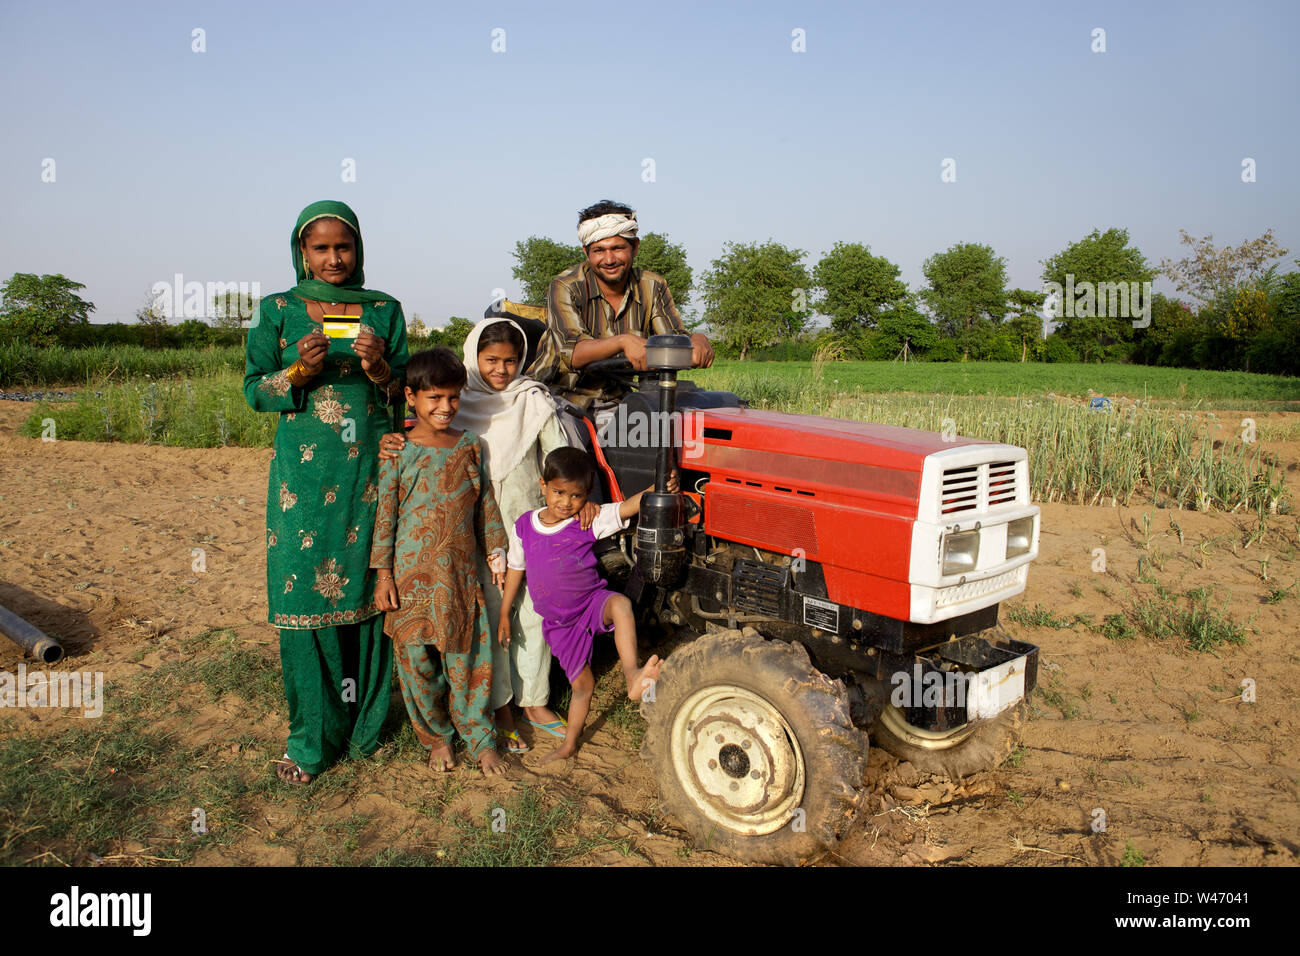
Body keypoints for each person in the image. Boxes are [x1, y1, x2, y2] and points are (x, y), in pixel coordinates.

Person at [244, 200, 408, 786]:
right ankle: (311, 739)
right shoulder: (277, 311)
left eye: (344, 246)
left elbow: (407, 393)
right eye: (322, 248)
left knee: (369, 591)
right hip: (303, 483)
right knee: (301, 595)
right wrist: (297, 375)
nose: (334, 258)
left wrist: (381, 368)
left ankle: (364, 728)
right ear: (302, 252)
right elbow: (254, 391)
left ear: (358, 249)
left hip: (368, 473)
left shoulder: (384, 310)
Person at [379, 318, 596, 752]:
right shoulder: (458, 401)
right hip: (472, 534)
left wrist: (583, 499)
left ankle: (534, 701)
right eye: (490, 359)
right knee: (489, 619)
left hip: (534, 526)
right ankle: (499, 706)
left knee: (533, 613)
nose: (500, 369)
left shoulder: (533, 401)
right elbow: (412, 441)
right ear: (473, 358)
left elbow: (565, 461)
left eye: (511, 360)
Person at [371, 348, 510, 776]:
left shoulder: (469, 445)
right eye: (434, 398)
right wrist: (383, 575)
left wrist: (496, 552)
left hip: (460, 575)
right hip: (410, 582)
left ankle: (480, 738)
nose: (445, 408)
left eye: (453, 397)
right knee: (418, 666)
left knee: (468, 661)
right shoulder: (399, 451)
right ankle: (436, 738)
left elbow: (485, 502)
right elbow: (386, 515)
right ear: (411, 396)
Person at [498, 447, 672, 765]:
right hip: (560, 624)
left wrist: (656, 489)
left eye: (576, 496)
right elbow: (515, 569)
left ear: (587, 496)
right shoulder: (524, 526)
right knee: (583, 686)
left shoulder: (585, 521)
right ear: (543, 486)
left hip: (592, 601)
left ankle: (632, 674)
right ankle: (569, 744)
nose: (566, 502)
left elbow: (626, 508)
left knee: (620, 604)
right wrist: (505, 613)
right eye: (559, 492)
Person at [530, 200, 714, 413]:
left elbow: (672, 340)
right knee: (567, 441)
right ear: (586, 252)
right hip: (558, 397)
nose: (609, 259)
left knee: (668, 433)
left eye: (617, 248)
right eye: (599, 250)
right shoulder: (566, 286)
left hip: (619, 401)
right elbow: (574, 354)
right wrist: (623, 342)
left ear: (634, 247)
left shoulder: (652, 286)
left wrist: (696, 340)